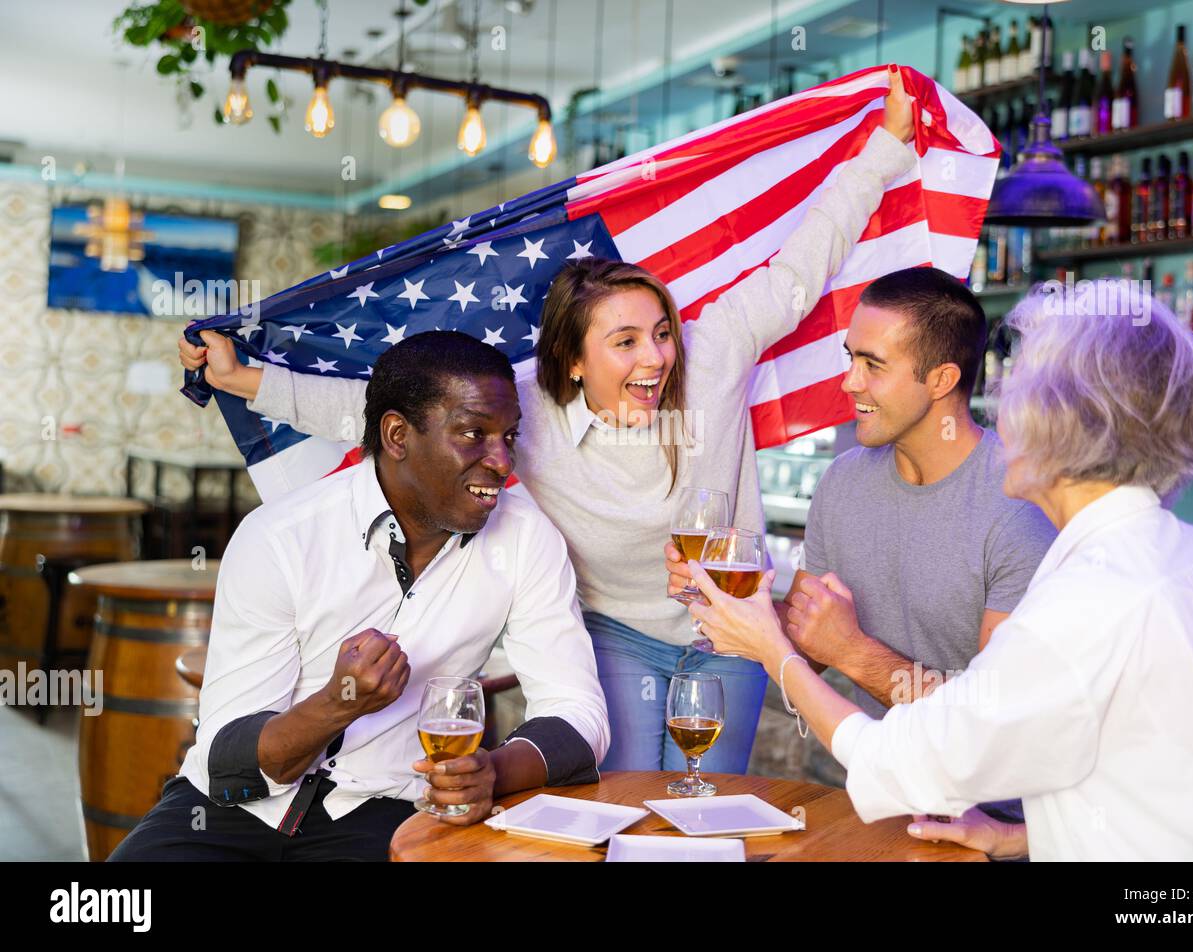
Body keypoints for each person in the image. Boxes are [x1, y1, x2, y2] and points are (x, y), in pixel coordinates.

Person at [178, 68, 919, 774]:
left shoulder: (715, 350)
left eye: (661, 332)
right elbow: (371, 407)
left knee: (706, 807)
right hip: (616, 634)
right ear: (573, 362)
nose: (656, 357)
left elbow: (799, 271)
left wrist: (884, 147)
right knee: (629, 802)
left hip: (733, 630)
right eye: (625, 342)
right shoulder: (524, 407)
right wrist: (244, 378)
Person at [684, 281, 1193, 860]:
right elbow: (1148, 779)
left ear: (1060, 424)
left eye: (1017, 392)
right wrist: (1012, 838)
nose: (1000, 410)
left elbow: (901, 762)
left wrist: (773, 648)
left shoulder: (1085, 606)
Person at [112, 332, 609, 861]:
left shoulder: (526, 540)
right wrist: (337, 703)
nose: (503, 462)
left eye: (510, 436)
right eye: (473, 434)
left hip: (388, 810)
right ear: (397, 435)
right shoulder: (280, 536)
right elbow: (228, 758)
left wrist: (493, 770)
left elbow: (579, 713)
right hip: (228, 809)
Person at [665, 265, 1057, 824]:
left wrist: (852, 650)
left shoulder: (1020, 502)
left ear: (942, 380)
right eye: (851, 358)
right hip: (865, 791)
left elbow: (991, 721)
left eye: (873, 365)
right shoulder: (843, 480)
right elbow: (805, 646)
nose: (850, 382)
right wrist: (720, 601)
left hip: (987, 820)